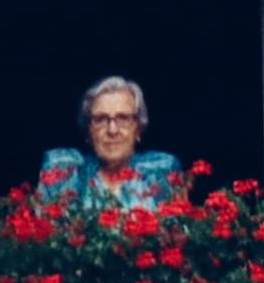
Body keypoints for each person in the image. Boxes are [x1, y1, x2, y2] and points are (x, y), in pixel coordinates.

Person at [38, 75, 184, 218]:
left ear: (138, 128)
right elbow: (41, 237)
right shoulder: (64, 173)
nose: (112, 130)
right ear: (88, 130)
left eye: (123, 118)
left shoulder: (161, 172)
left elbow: (179, 233)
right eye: (100, 119)